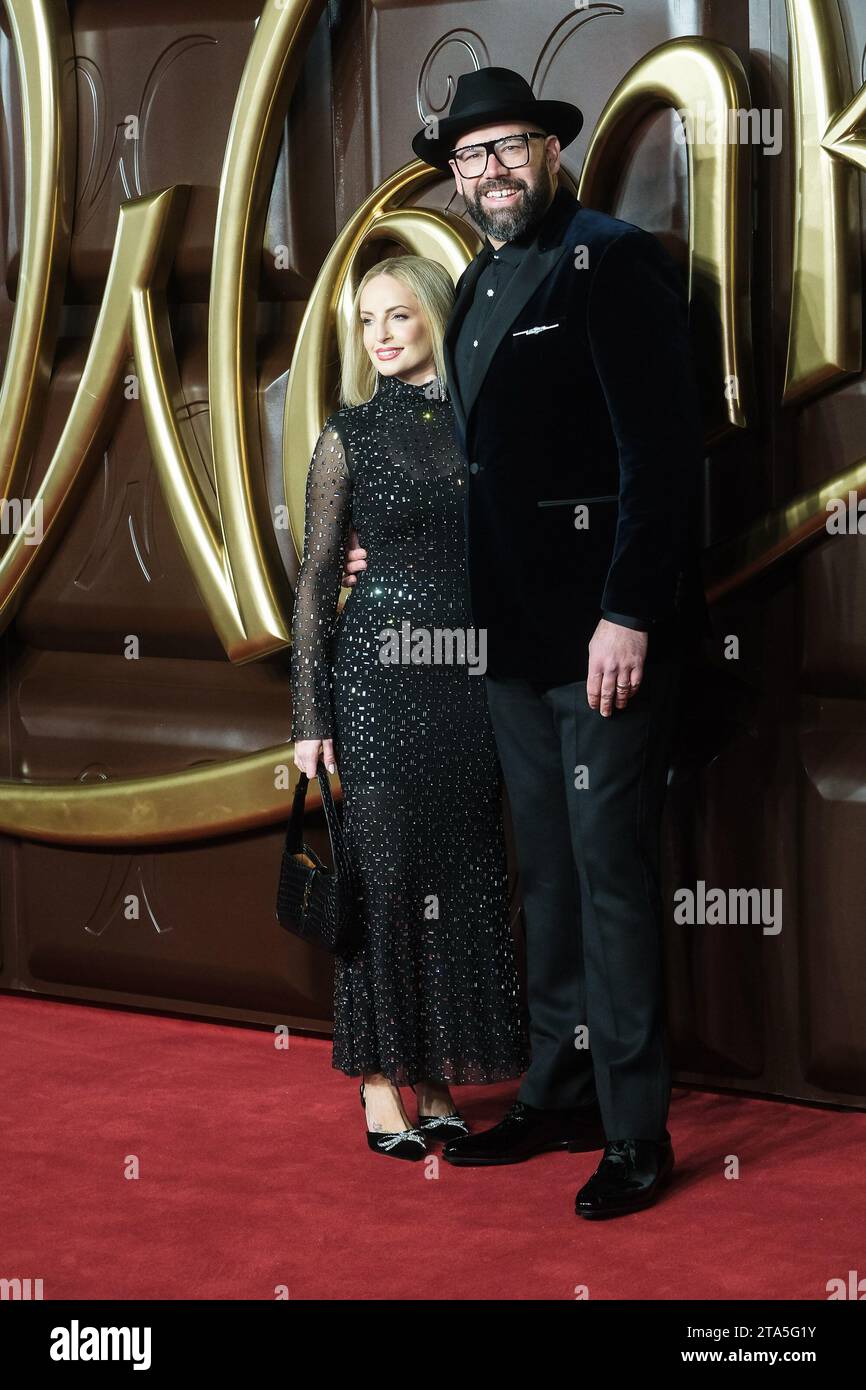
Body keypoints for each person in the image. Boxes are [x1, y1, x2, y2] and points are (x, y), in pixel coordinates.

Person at [341, 68, 711, 1215]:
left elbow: (660, 460)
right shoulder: (485, 277)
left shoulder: (612, 260)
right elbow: (485, 474)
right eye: (468, 158)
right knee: (545, 880)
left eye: (507, 149)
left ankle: (637, 1134)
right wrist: (377, 551)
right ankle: (561, 1090)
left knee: (607, 884)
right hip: (504, 646)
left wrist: (630, 612)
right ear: (452, 179)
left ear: (549, 152)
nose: (489, 172)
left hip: (601, 642)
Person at [290, 253, 530, 1161]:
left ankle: (434, 1074)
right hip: (378, 682)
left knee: (461, 876)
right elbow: (315, 581)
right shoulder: (347, 436)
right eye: (365, 322)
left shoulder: (484, 424)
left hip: (471, 680)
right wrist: (309, 716)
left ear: (434, 314)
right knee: (384, 878)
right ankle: (383, 1081)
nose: (380, 336)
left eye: (397, 316)